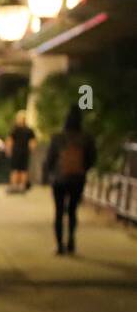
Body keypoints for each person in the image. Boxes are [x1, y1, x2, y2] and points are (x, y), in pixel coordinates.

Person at [44, 108, 97, 255]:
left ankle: (60, 245)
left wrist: (50, 174)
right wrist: (83, 169)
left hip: (59, 179)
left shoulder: (58, 138)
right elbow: (92, 159)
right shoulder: (86, 138)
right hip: (77, 179)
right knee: (73, 211)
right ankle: (71, 241)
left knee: (59, 212)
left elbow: (49, 159)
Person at [7, 110, 35, 193]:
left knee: (16, 169)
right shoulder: (29, 130)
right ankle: (21, 186)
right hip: (24, 152)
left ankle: (15, 186)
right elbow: (32, 143)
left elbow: (10, 141)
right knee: (23, 169)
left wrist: (8, 150)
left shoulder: (14, 129)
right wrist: (31, 150)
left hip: (17, 151)